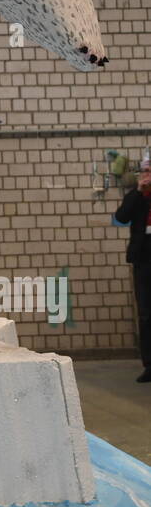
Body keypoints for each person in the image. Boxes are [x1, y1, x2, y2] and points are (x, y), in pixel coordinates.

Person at [115, 160, 151, 383]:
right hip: (143, 261)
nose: (146, 175)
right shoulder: (135, 197)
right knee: (146, 315)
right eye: (145, 171)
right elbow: (120, 218)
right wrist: (138, 193)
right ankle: (149, 364)